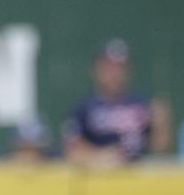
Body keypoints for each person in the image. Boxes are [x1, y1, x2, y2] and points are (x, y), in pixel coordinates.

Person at [62, 38, 171, 167]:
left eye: (120, 67)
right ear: (97, 69)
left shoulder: (143, 103)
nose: (115, 73)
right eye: (109, 67)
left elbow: (160, 150)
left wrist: (162, 127)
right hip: (103, 178)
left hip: (138, 174)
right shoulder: (84, 107)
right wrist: (100, 156)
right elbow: (72, 150)